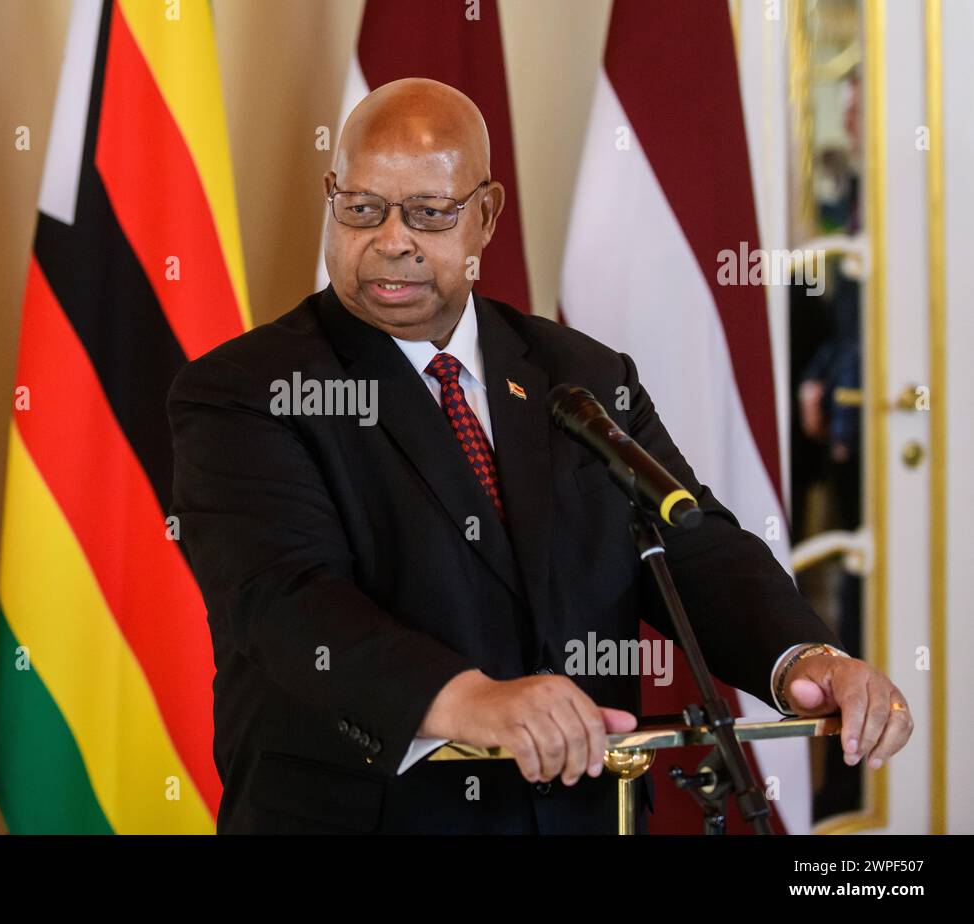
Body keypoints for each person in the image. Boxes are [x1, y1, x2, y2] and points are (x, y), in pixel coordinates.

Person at [165, 77, 912, 834]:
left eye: (429, 213)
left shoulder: (583, 375)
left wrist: (802, 659)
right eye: (361, 209)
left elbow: (694, 547)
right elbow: (287, 603)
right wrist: (466, 698)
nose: (392, 240)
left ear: (485, 217)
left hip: (582, 815)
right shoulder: (244, 390)